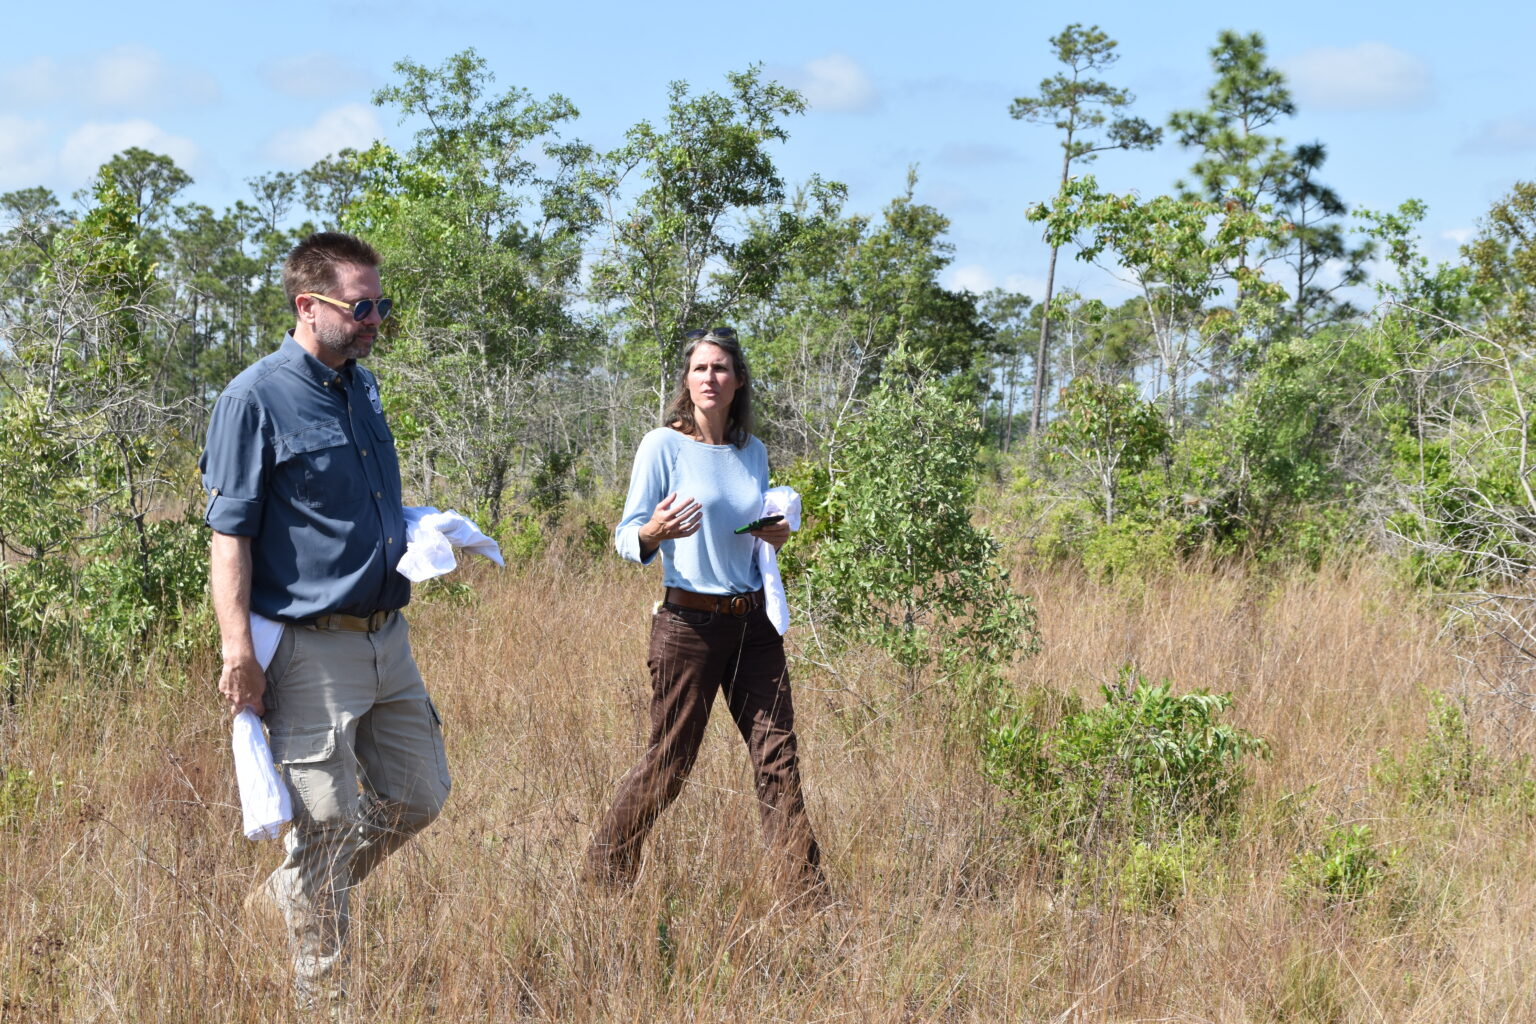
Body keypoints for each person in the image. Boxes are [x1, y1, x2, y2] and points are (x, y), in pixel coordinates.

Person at [200, 231, 450, 1009]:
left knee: (419, 795)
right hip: (309, 651)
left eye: (381, 304)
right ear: (308, 306)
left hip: (387, 638)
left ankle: (282, 899)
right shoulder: (253, 398)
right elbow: (229, 535)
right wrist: (237, 649)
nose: (376, 318)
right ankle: (324, 999)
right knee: (329, 826)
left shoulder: (360, 386)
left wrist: (430, 531)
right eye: (361, 306)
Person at [586, 327, 824, 896]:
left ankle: (808, 904)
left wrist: (776, 535)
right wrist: (652, 531)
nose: (710, 378)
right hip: (688, 626)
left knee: (778, 760)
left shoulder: (753, 451)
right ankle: (603, 879)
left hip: (754, 624)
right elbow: (625, 536)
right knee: (670, 764)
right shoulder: (662, 446)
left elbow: (753, 534)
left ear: (738, 380)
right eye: (700, 369)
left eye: (721, 369)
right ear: (686, 382)